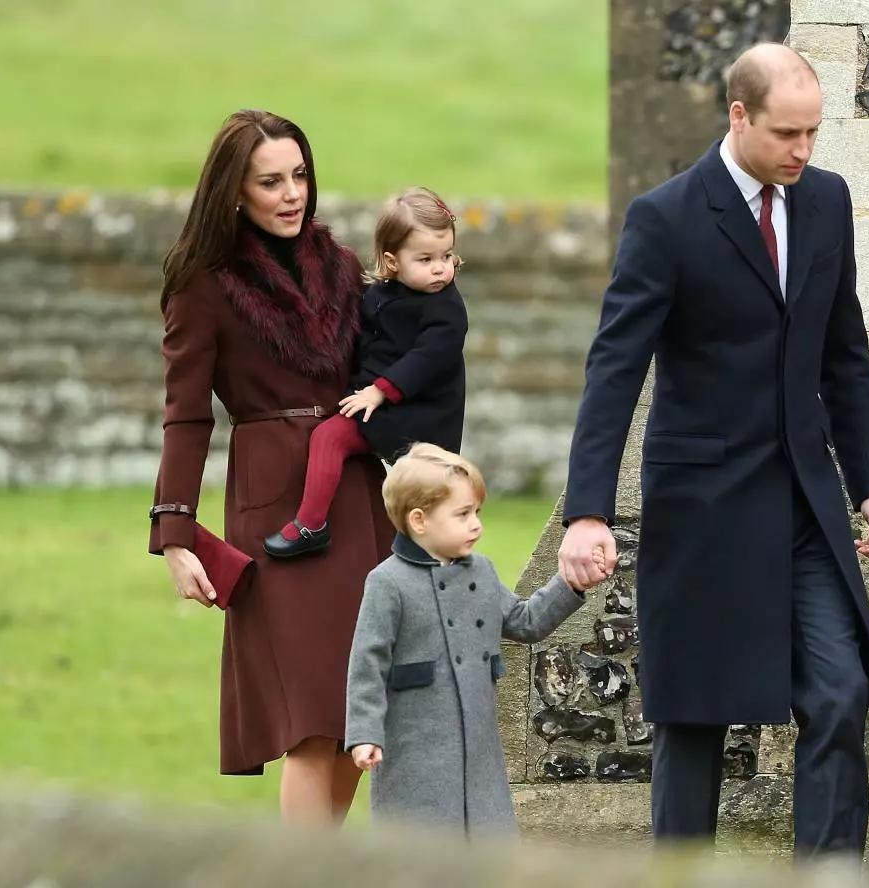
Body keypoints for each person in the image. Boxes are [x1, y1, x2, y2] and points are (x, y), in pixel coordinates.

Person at [556, 43, 869, 856]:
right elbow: (614, 368)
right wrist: (587, 511)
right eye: (788, 133)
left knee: (840, 692)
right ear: (738, 115)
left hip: (804, 505)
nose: (803, 151)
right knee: (693, 717)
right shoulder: (667, 216)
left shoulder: (827, 202)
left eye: (814, 133)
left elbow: (843, 352)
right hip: (703, 506)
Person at [148, 109, 394, 824]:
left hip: (356, 495)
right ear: (234, 192)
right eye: (270, 181)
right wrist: (175, 532)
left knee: (358, 715)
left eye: (300, 176)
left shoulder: (343, 267)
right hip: (275, 508)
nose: (291, 194)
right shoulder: (202, 284)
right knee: (311, 717)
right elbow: (186, 415)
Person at [344, 443, 589, 838]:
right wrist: (365, 734)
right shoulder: (387, 582)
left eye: (476, 512)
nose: (476, 524)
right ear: (419, 520)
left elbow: (525, 622)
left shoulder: (483, 571)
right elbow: (367, 664)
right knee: (420, 861)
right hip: (415, 754)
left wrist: (570, 583)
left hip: (479, 759)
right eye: (462, 514)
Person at [264, 187, 469, 559]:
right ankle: (317, 524)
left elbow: (427, 359)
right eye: (425, 259)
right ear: (392, 262)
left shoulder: (446, 309)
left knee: (423, 493)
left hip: (420, 417)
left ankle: (425, 555)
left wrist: (380, 390)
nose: (441, 267)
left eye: (447, 255)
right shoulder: (379, 294)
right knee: (331, 439)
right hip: (379, 404)